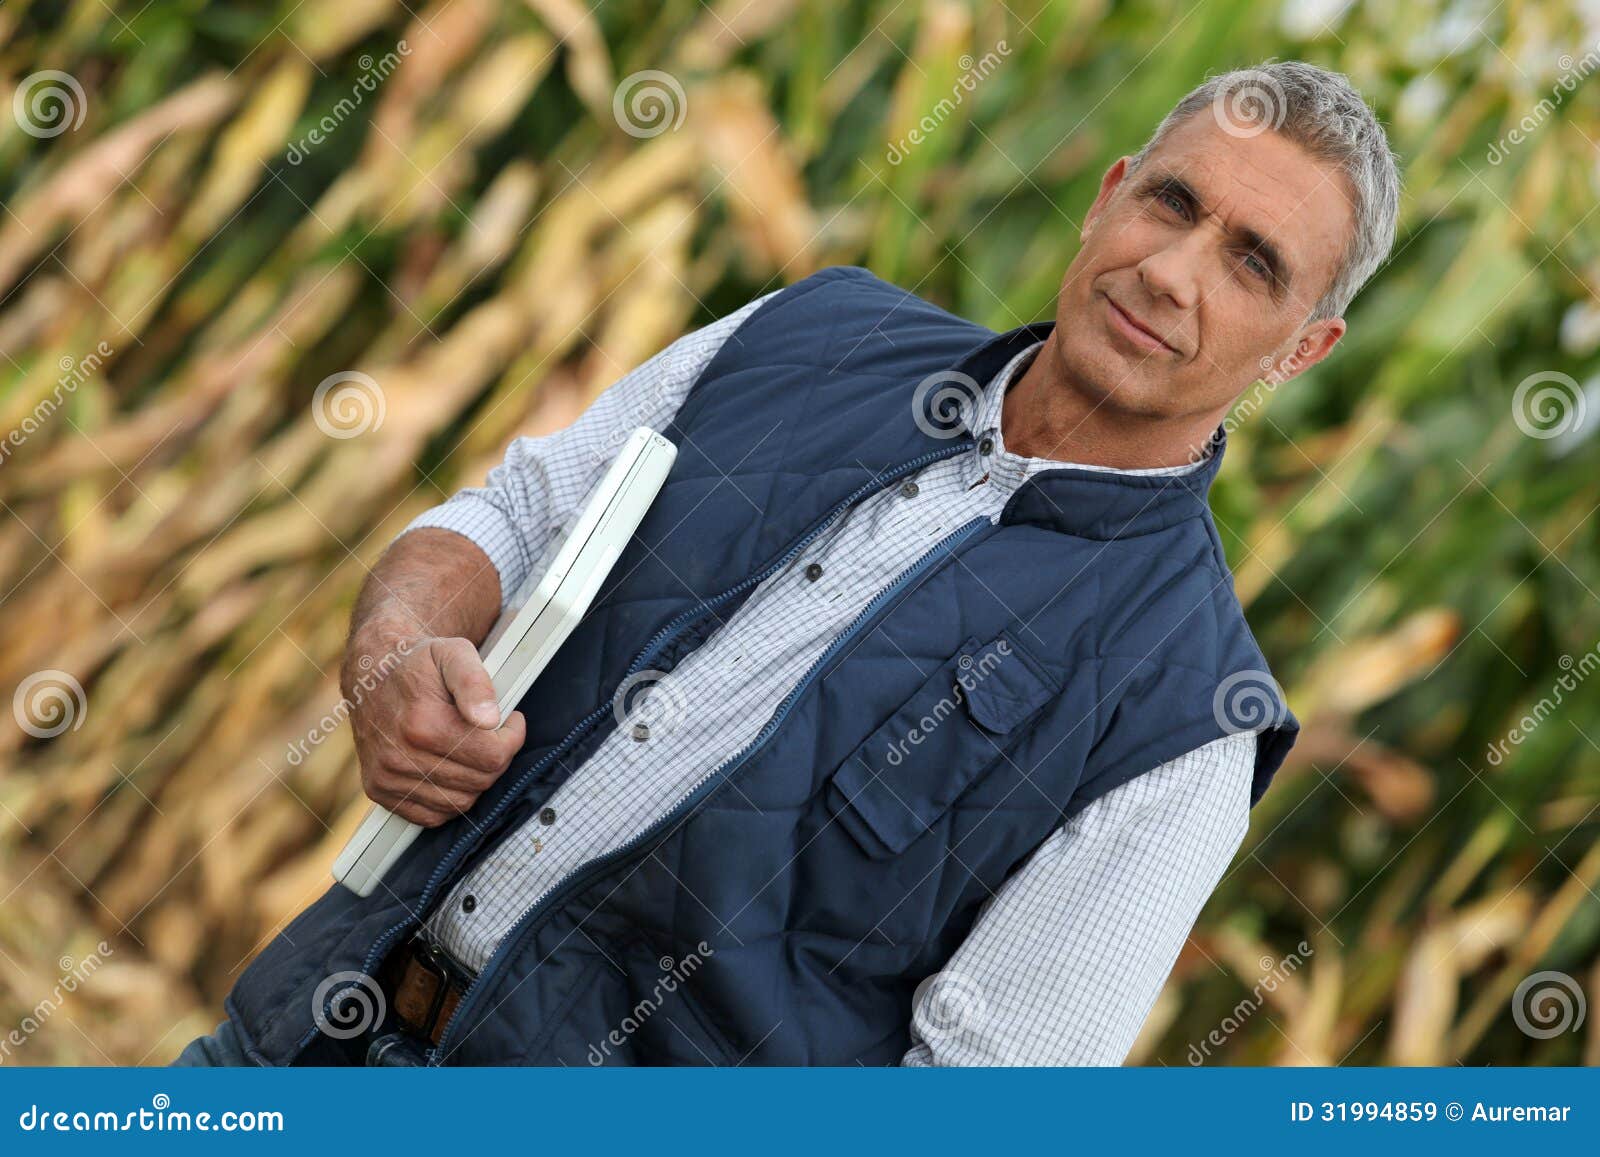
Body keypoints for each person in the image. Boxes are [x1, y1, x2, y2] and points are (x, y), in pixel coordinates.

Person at [176, 60, 1398, 1067]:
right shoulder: (811, 332)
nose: (1173, 272)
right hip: (296, 1036)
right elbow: (515, 511)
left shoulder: (1182, 718)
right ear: (1109, 194)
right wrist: (395, 646)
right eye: (1173, 205)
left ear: (1302, 349)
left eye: (1253, 265)